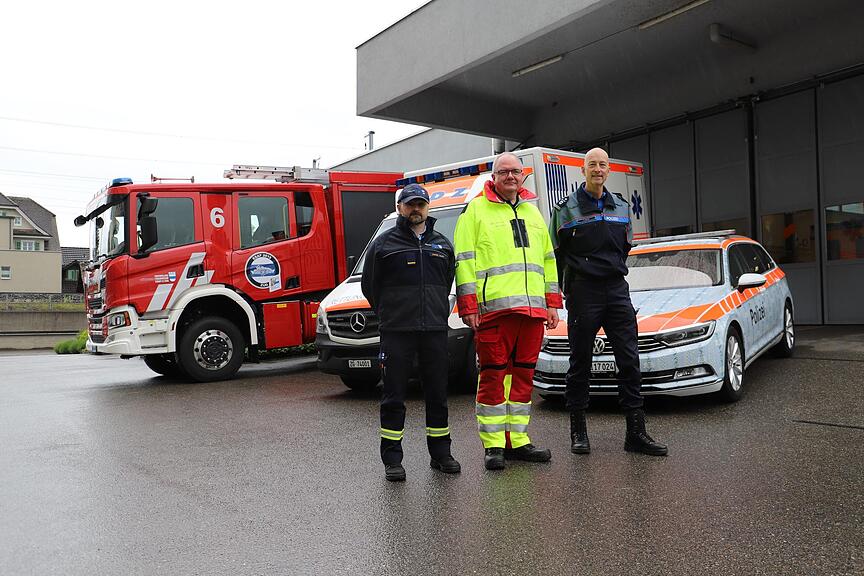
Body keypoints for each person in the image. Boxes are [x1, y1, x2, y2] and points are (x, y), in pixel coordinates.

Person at [549, 147, 667, 456]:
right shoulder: (565, 209)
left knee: (629, 360)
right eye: (592, 165)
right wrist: (565, 289)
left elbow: (624, 248)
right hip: (583, 291)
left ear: (608, 170)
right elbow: (555, 254)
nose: (597, 169)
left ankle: (636, 433)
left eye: (602, 165)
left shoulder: (622, 207)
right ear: (583, 170)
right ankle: (578, 432)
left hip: (616, 289)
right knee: (580, 363)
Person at [454, 152, 563, 471]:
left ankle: (518, 440)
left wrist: (552, 303)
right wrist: (469, 305)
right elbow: (464, 259)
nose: (511, 177)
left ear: (523, 176)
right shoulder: (475, 210)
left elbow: (548, 259)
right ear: (494, 177)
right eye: (504, 172)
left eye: (516, 171)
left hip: (531, 313)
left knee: (523, 377)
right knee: (493, 376)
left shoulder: (533, 211)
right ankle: (493, 446)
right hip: (493, 313)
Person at [361, 183, 460, 481]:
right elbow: (370, 287)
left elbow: (447, 281)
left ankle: (441, 454)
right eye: (410, 204)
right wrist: (389, 313)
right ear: (399, 208)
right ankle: (392, 459)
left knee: (438, 394)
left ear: (428, 208)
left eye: (420, 204)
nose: (415, 209)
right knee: (393, 395)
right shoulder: (383, 245)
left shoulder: (443, 245)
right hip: (397, 331)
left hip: (433, 330)